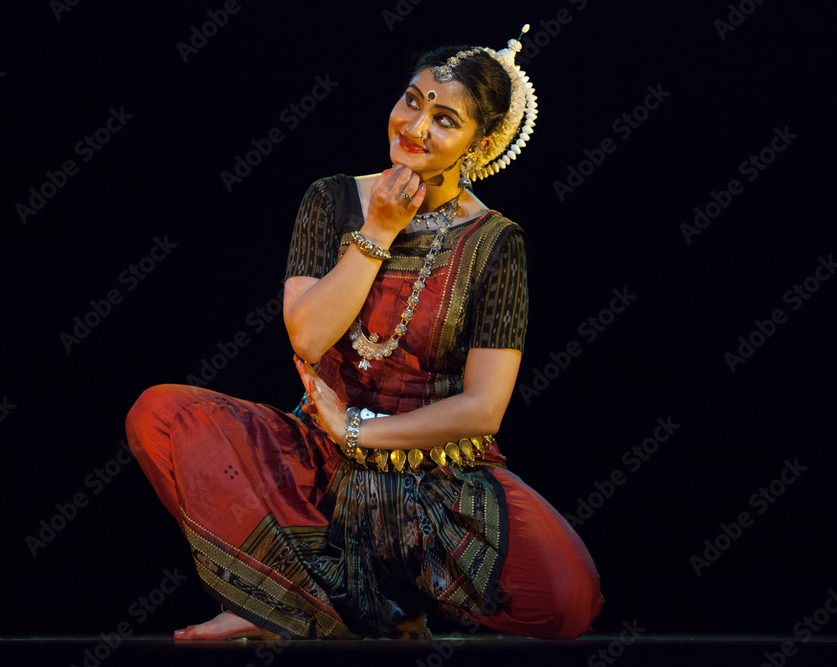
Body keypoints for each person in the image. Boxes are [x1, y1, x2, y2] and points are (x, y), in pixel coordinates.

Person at [125, 29, 603, 641]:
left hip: (437, 478)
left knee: (568, 602)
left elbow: (483, 408)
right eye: (412, 99)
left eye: (444, 118)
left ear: (479, 144)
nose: (414, 125)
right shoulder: (331, 200)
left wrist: (362, 430)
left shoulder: (495, 242)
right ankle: (287, 604)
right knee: (162, 415)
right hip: (317, 460)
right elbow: (308, 337)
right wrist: (379, 228)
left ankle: (380, 604)